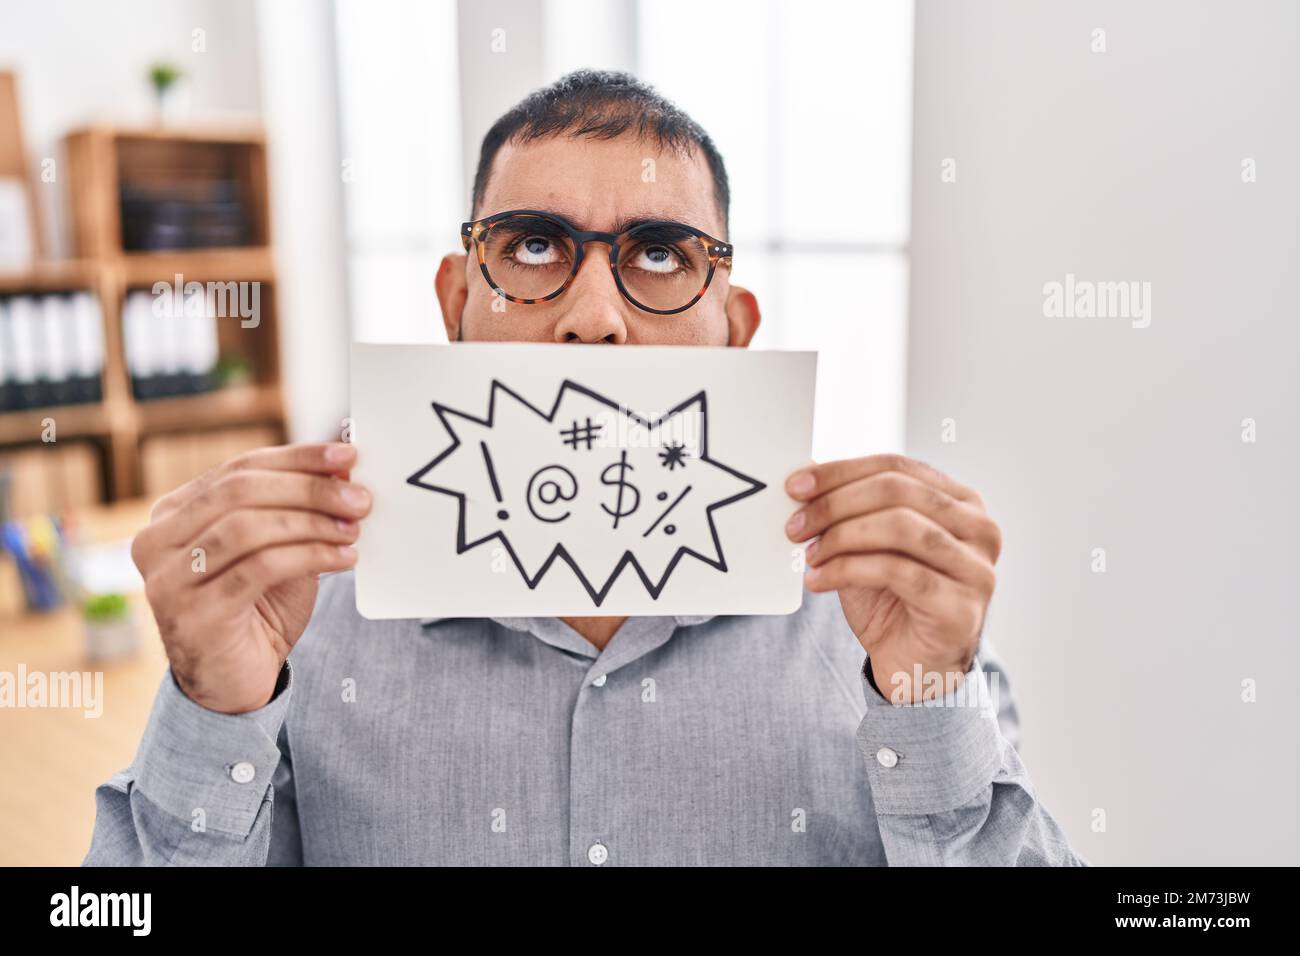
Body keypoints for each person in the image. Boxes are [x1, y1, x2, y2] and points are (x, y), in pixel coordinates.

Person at [85, 70, 1084, 866]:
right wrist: (214, 708)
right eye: (531, 244)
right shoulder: (296, 623)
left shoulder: (879, 623)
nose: (594, 316)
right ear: (453, 307)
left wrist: (926, 699)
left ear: (733, 330)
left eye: (659, 254)